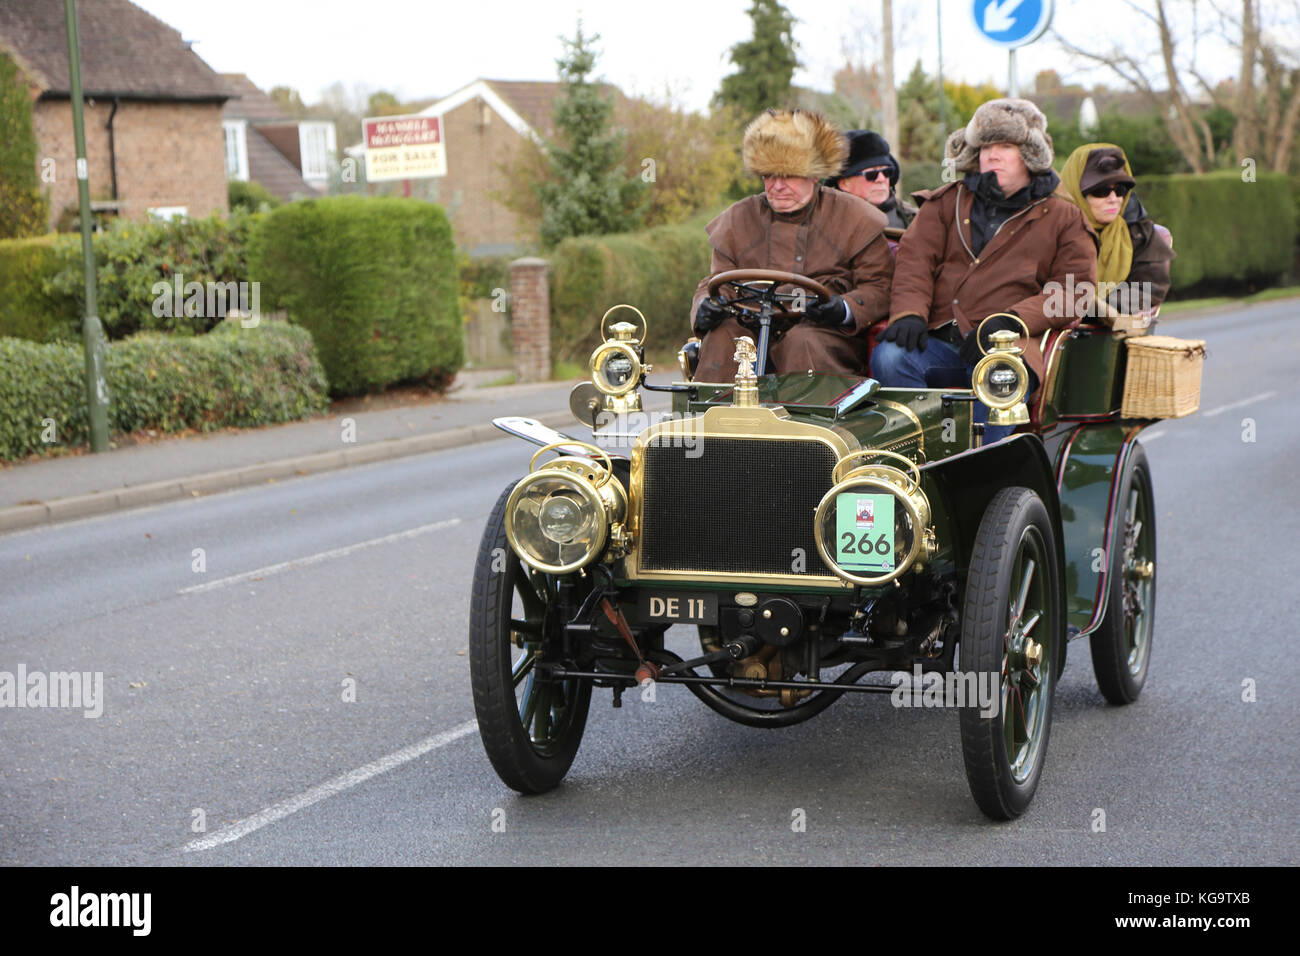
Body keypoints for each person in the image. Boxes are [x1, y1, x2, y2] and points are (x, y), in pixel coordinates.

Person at [873, 98, 1097, 439]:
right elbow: (914, 260)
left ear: (1031, 154)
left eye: (1005, 146)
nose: (991, 155)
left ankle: (982, 468)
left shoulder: (1064, 217)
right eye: (985, 146)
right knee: (890, 357)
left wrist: (1011, 320)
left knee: (1001, 377)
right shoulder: (947, 202)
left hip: (1009, 346)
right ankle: (923, 448)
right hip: (941, 340)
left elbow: (1075, 292)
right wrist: (909, 314)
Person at [690, 109, 894, 382]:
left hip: (823, 333)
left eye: (789, 175)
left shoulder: (854, 217)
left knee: (802, 342)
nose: (777, 186)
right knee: (723, 338)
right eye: (769, 175)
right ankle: (716, 419)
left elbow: (880, 286)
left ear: (814, 175)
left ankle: (812, 423)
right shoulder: (738, 219)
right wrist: (705, 306)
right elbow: (716, 282)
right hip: (749, 326)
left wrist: (844, 308)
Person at [1057, 143, 1174, 317]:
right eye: (1101, 191)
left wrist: (1096, 308)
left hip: (1112, 331)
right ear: (1076, 193)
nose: (1113, 199)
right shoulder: (1052, 231)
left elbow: (1150, 290)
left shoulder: (1140, 233)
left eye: (1120, 189)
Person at [826, 130, 917, 232]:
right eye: (871, 175)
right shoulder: (824, 225)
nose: (881, 179)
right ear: (844, 183)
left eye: (887, 172)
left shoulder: (915, 220)